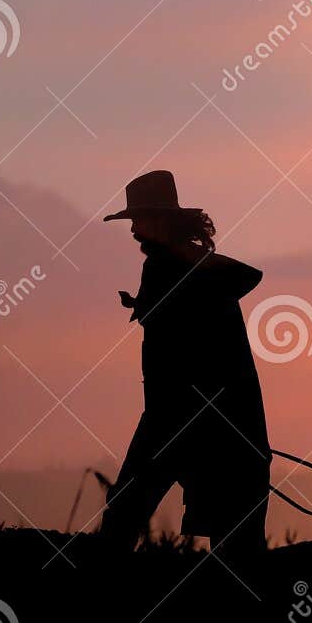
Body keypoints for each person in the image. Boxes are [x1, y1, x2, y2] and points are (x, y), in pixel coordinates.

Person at [97, 170, 270, 559]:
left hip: (179, 418)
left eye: (139, 220)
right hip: (223, 422)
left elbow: (188, 328)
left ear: (160, 221)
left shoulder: (169, 266)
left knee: (123, 518)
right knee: (238, 542)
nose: (134, 230)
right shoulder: (187, 266)